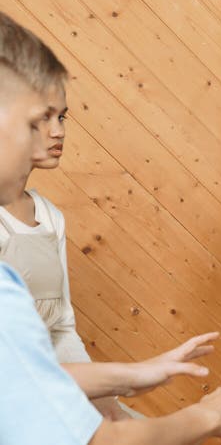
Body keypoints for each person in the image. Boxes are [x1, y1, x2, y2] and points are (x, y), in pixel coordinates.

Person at [0, 10, 221, 444]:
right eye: (33, 121)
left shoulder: (47, 221)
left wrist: (127, 381)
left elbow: (40, 365)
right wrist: (210, 415)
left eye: (58, 118)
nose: (47, 134)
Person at [0, 73, 131, 419]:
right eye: (44, 118)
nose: (59, 131)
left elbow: (61, 329)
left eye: (62, 118)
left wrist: (106, 406)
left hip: (47, 386)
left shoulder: (50, 217)